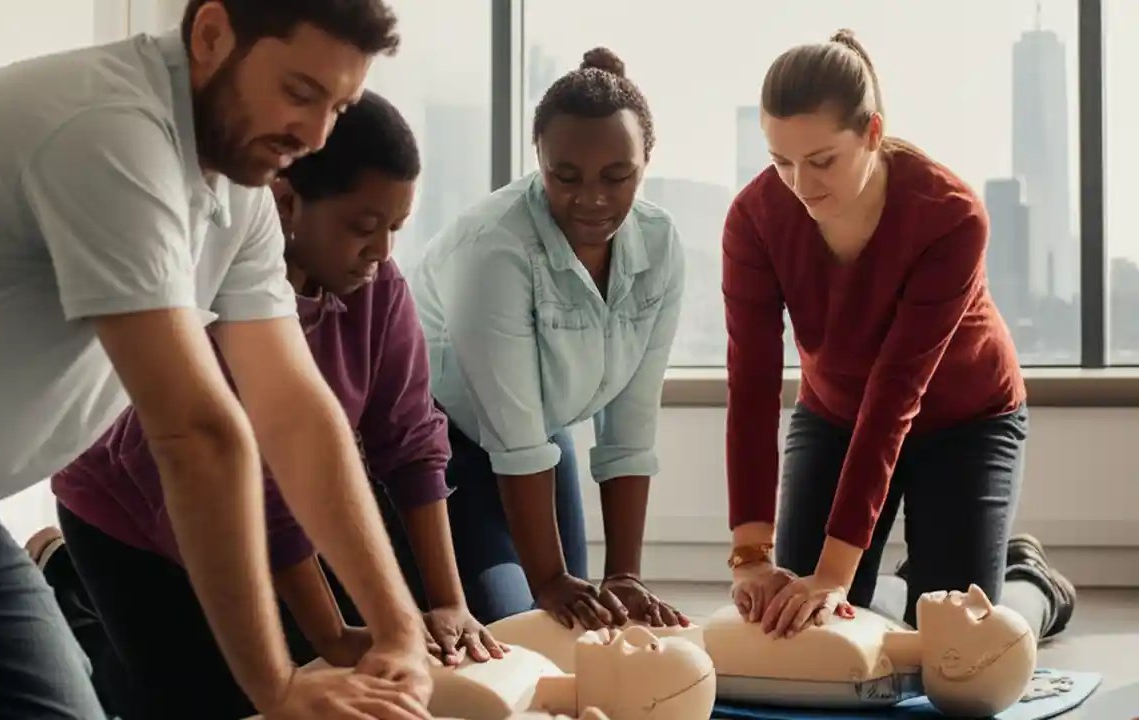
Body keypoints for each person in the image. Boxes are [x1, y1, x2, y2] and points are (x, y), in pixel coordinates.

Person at [0, 1, 435, 718]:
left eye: (339, 107)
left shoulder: (243, 189)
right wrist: (277, 688)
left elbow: (295, 410)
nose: (315, 135)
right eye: (300, 92)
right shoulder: (105, 131)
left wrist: (399, 628)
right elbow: (196, 434)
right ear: (212, 34)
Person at [48, 89, 504, 719]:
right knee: (211, 700)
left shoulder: (378, 285)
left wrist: (447, 599)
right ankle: (70, 590)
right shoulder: (219, 298)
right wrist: (333, 636)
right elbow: (256, 491)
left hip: (276, 505)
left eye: (395, 229)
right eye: (363, 228)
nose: (382, 253)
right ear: (288, 204)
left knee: (317, 673)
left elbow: (410, 440)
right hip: (135, 512)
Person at [722, 29, 1075, 643]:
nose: (800, 185)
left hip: (964, 420)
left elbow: (895, 395)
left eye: (822, 160)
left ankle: (1032, 581)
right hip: (833, 414)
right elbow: (751, 385)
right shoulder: (754, 219)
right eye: (781, 161)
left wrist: (833, 575)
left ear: (873, 134)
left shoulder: (951, 215)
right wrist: (752, 556)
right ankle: (896, 588)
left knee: (957, 642)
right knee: (803, 629)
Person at [408, 47, 689, 630]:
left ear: (647, 160)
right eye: (566, 176)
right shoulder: (495, 247)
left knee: (592, 628)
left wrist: (625, 576)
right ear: (538, 157)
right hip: (443, 449)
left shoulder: (659, 244)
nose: (592, 198)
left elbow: (629, 429)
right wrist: (549, 579)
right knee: (517, 629)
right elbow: (511, 435)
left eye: (618, 176)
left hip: (542, 443)